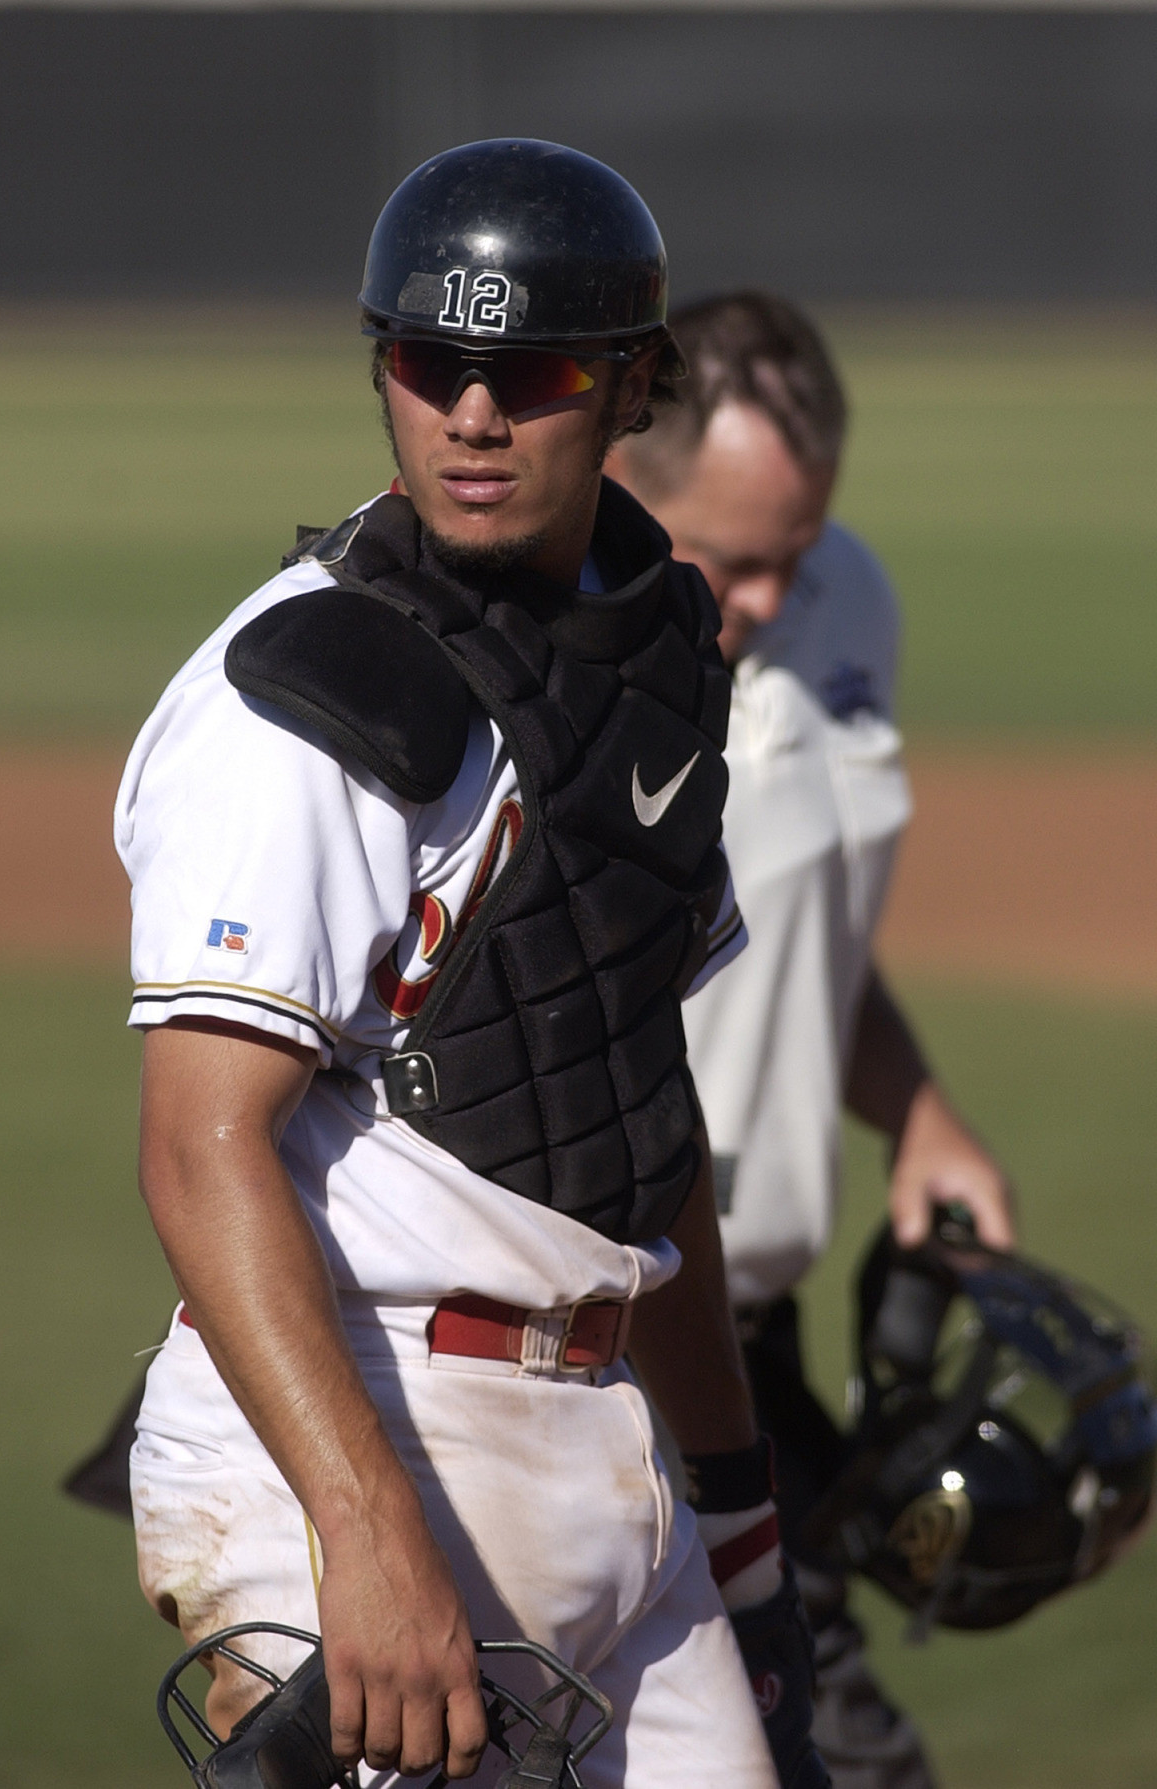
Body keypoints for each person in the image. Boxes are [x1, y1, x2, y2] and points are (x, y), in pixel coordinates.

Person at [116, 144, 827, 1789]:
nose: (473, 415)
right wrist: (359, 1535)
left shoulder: (656, 655)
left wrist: (739, 1516)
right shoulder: (304, 692)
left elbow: (634, 1115)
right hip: (357, 1421)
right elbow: (195, 1141)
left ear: (635, 382)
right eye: (432, 366)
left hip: (605, 1436)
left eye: (532, 371)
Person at [608, 293, 1015, 1789]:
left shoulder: (853, 598)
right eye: (738, 554)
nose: (777, 595)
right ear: (622, 476)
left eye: (802, 547)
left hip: (747, 1343)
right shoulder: (547, 671)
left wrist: (916, 1108)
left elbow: (809, 948)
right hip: (585, 1349)